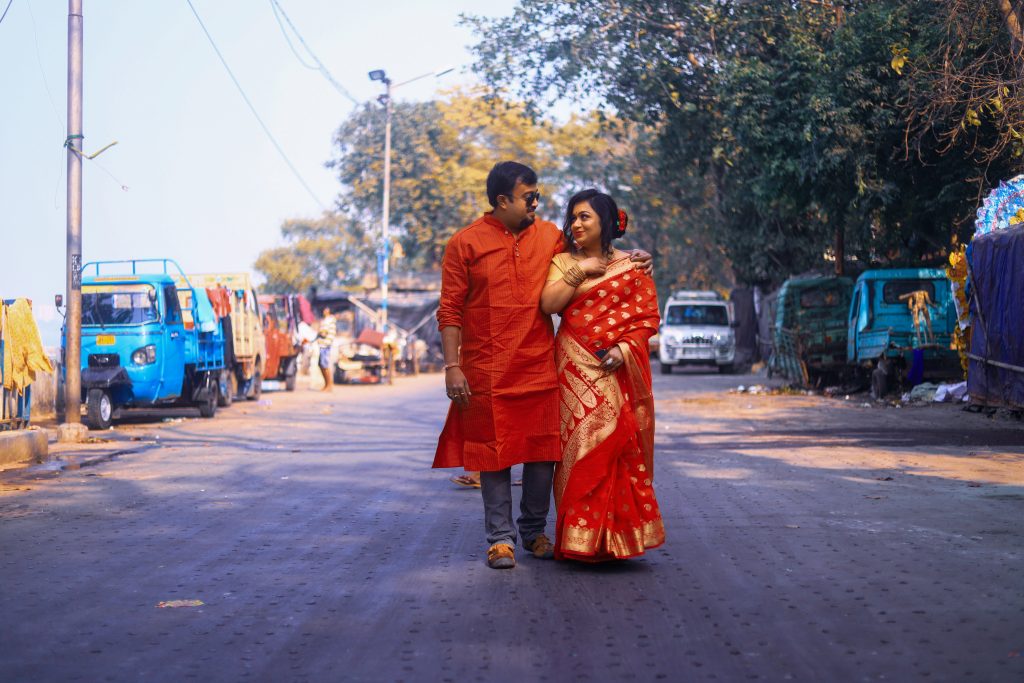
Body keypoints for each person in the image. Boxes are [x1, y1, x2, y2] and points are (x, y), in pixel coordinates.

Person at [434, 163, 652, 569]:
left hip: (539, 364)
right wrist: (452, 366)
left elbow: (593, 249)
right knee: (493, 456)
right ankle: (500, 539)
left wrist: (635, 257)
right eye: (529, 197)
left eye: (538, 195)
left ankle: (533, 531)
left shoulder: (550, 236)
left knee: (542, 454)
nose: (537, 203)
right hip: (486, 370)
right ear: (503, 201)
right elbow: (449, 310)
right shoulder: (465, 243)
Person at [540, 189, 665, 562]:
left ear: (606, 222)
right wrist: (580, 271)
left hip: (615, 368)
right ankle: (578, 540)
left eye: (585, 217)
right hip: (573, 367)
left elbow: (647, 318)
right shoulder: (564, 261)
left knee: (616, 448)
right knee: (578, 447)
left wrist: (623, 349)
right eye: (573, 217)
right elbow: (548, 304)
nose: (576, 224)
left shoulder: (633, 265)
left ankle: (614, 541)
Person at [317, 307, 336, 391]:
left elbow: (324, 333)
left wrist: (318, 332)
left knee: (324, 365)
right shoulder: (327, 320)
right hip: (323, 344)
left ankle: (329, 385)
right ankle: (326, 384)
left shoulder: (328, 320)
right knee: (321, 365)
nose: (324, 311)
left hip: (325, 345)